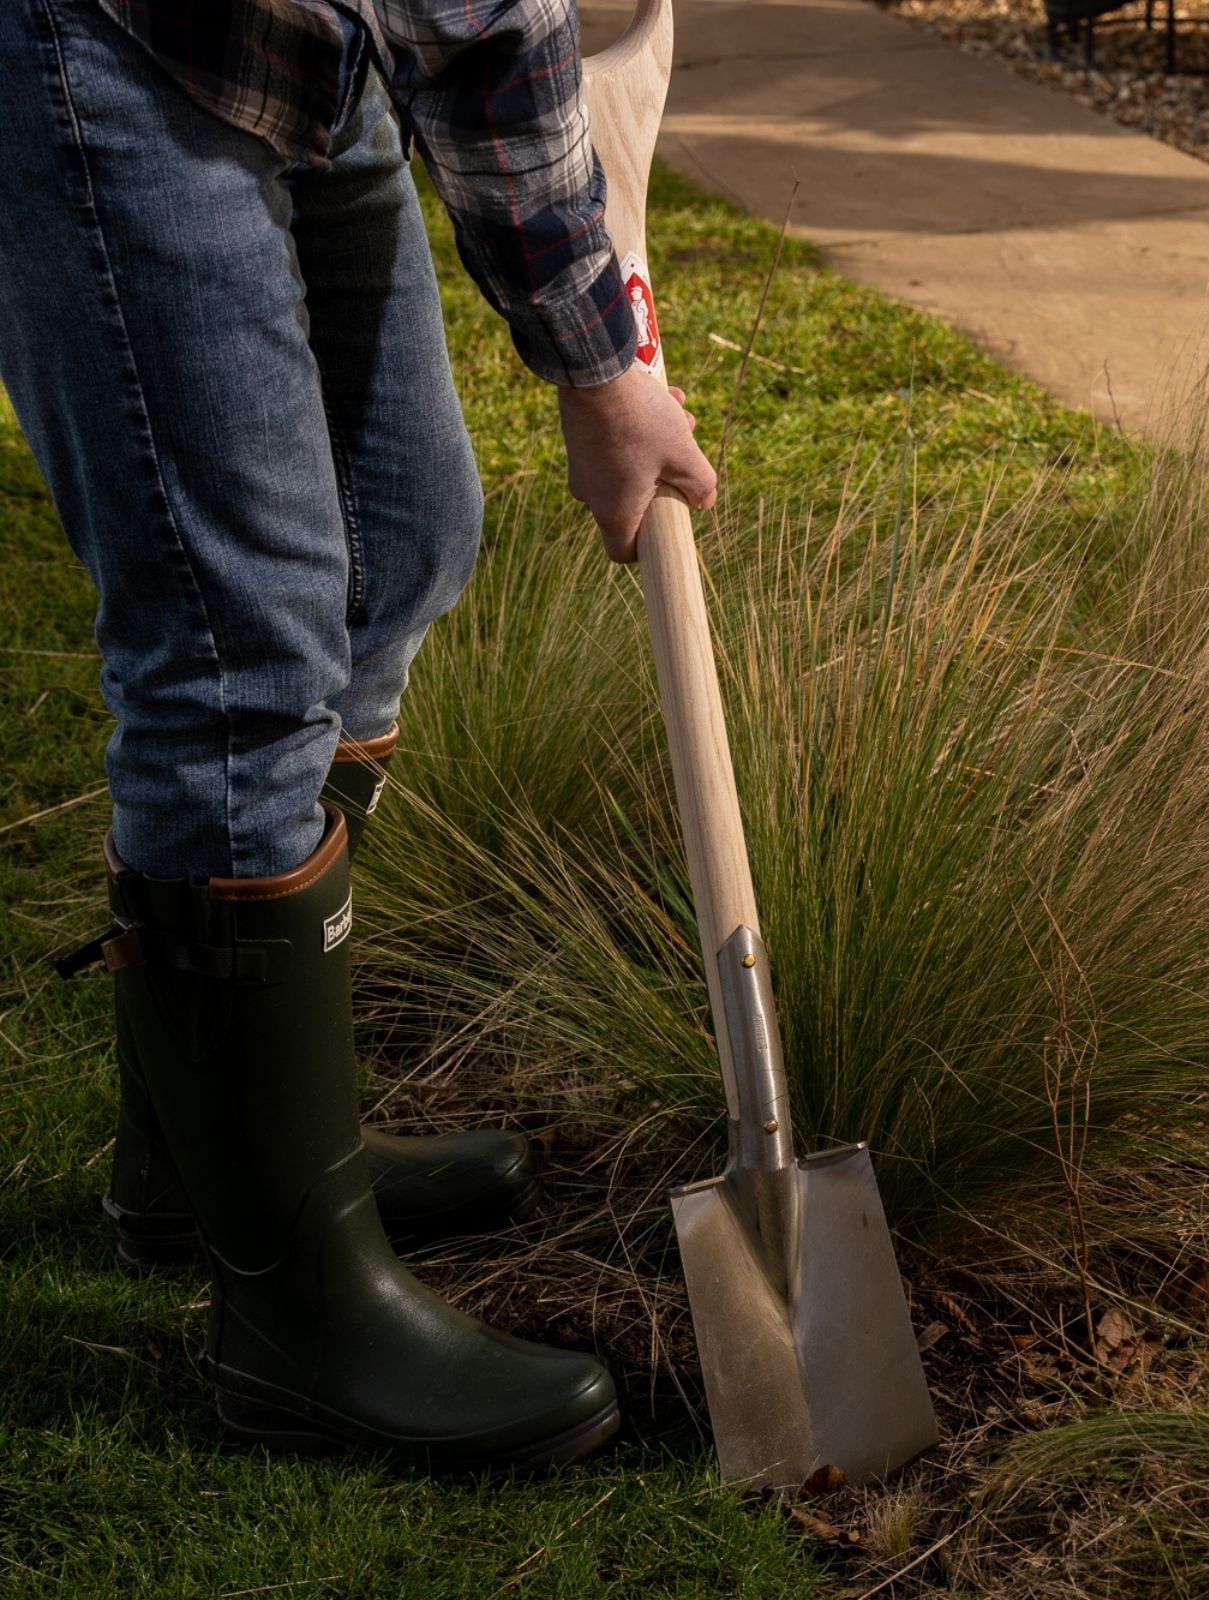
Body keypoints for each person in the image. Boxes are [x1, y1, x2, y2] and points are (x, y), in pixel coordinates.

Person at [0, 0, 717, 1474]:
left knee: (400, 536)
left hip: (306, 44)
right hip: (107, 41)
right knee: (234, 642)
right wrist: (600, 363)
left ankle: (218, 1167)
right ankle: (296, 1318)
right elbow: (480, 24)